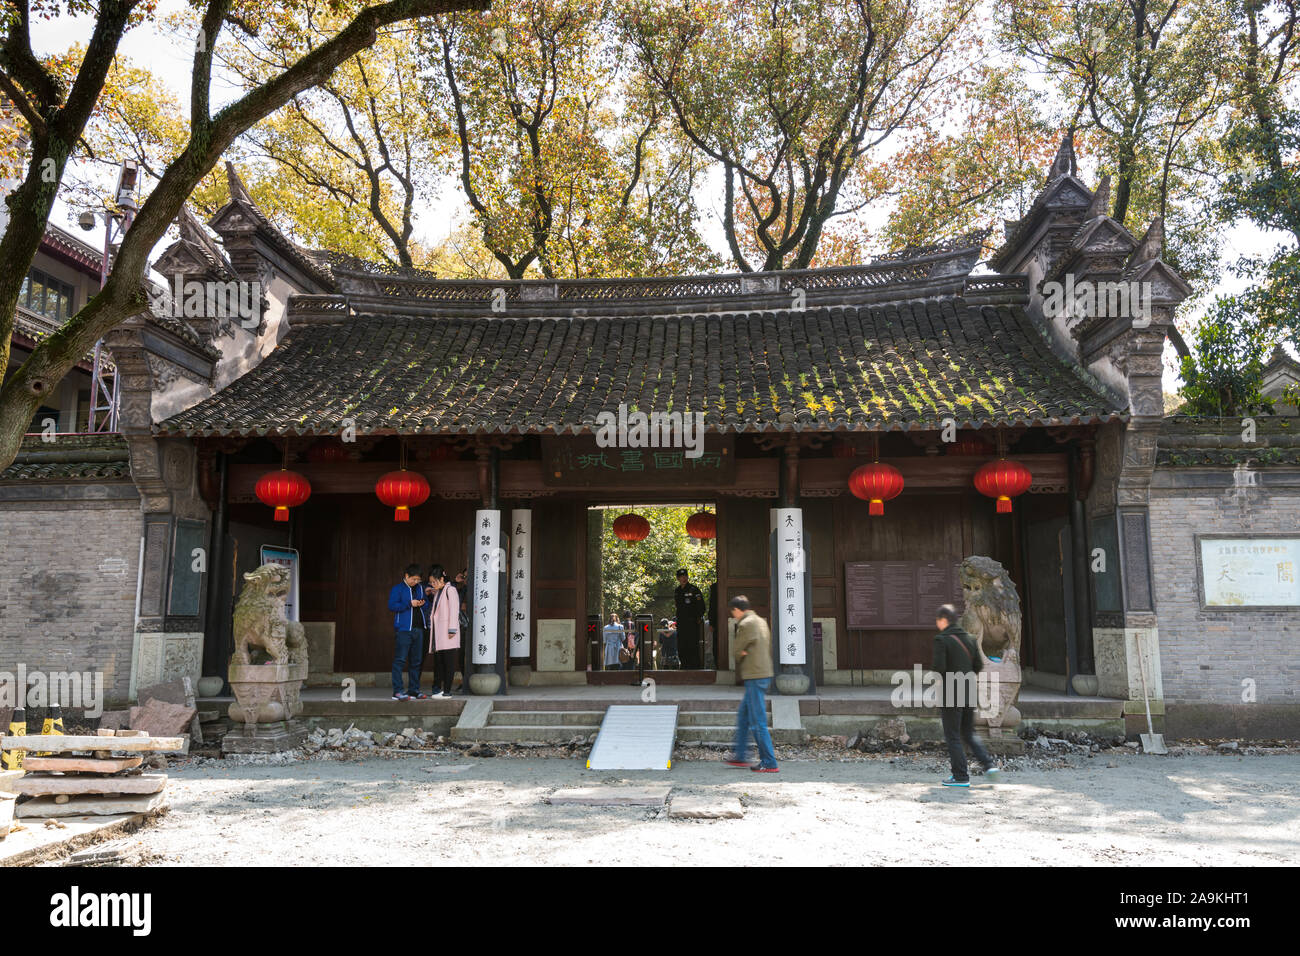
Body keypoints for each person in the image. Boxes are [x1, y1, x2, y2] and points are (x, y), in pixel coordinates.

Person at [933, 603, 1001, 787]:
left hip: (951, 694)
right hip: (969, 692)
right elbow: (978, 666)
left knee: (953, 735)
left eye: (938, 620)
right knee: (969, 733)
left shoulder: (942, 640)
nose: (937, 623)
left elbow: (939, 668)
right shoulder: (970, 639)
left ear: (944, 620)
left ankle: (960, 776)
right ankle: (988, 765)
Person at [725, 596, 778, 772]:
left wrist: (743, 652)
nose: (733, 616)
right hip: (763, 672)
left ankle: (769, 761)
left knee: (757, 721)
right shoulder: (761, 621)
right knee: (744, 716)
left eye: (732, 612)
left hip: (754, 674)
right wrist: (745, 650)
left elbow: (736, 651)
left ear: (736, 610)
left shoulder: (746, 624)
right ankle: (740, 755)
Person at [387, 563, 429, 701]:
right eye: (414, 579)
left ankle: (413, 690)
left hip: (419, 629)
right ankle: (398, 691)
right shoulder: (398, 589)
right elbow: (392, 606)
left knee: (416, 662)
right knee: (400, 660)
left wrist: (423, 602)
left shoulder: (421, 589)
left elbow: (427, 604)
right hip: (404, 630)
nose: (416, 582)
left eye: (418, 580)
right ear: (406, 576)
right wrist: (409, 604)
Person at [425, 565, 460, 698]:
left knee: (448, 663)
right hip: (439, 634)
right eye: (431, 582)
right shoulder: (440, 591)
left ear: (441, 579)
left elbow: (454, 609)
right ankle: (440, 690)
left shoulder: (450, 590)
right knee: (439, 663)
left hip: (448, 633)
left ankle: (447, 691)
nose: (433, 584)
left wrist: (452, 629)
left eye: (434, 582)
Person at [674, 569, 705, 669]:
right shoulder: (677, 591)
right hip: (681, 623)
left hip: (692, 623)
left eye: (685, 576)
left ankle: (695, 666)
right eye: (681, 577)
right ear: (678, 578)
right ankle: (683, 665)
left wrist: (698, 618)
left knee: (692, 645)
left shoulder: (694, 590)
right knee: (682, 645)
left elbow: (701, 606)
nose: (683, 578)